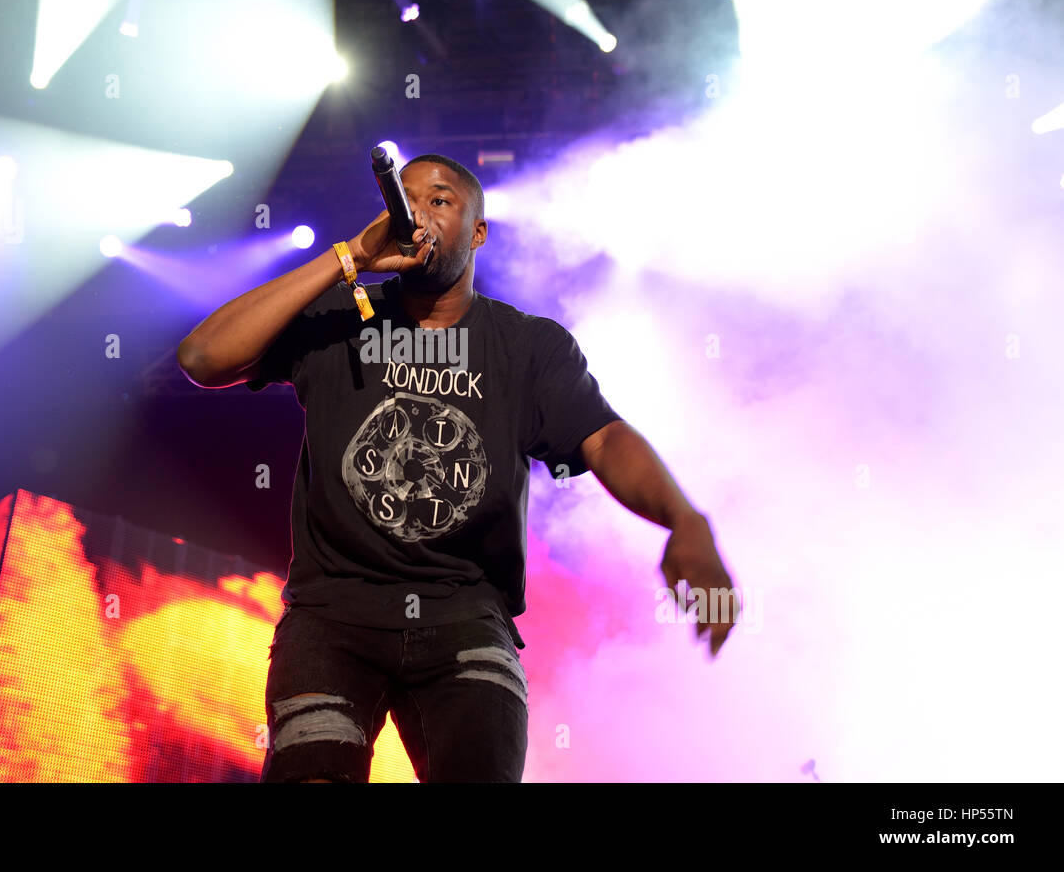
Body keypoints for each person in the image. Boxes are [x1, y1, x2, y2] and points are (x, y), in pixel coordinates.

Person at [177, 153, 737, 782]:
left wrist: (683, 518)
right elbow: (202, 356)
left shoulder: (527, 345)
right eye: (407, 200)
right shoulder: (335, 323)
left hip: (465, 619)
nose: (418, 212)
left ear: (478, 231)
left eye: (440, 200)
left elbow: (603, 439)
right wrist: (348, 261)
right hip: (331, 617)